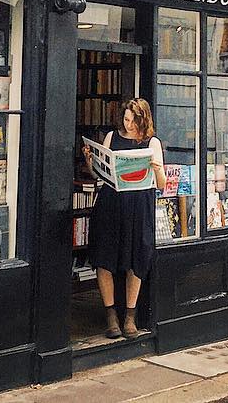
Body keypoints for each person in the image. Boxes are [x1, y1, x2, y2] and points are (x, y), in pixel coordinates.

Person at [82, 98, 166, 339]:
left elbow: (161, 185)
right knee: (105, 258)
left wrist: (156, 167)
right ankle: (110, 316)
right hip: (111, 204)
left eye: (132, 120)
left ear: (143, 120)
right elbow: (99, 174)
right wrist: (91, 161)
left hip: (139, 207)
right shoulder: (111, 137)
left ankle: (130, 316)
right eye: (125, 119)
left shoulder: (152, 143)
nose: (128, 125)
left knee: (136, 260)